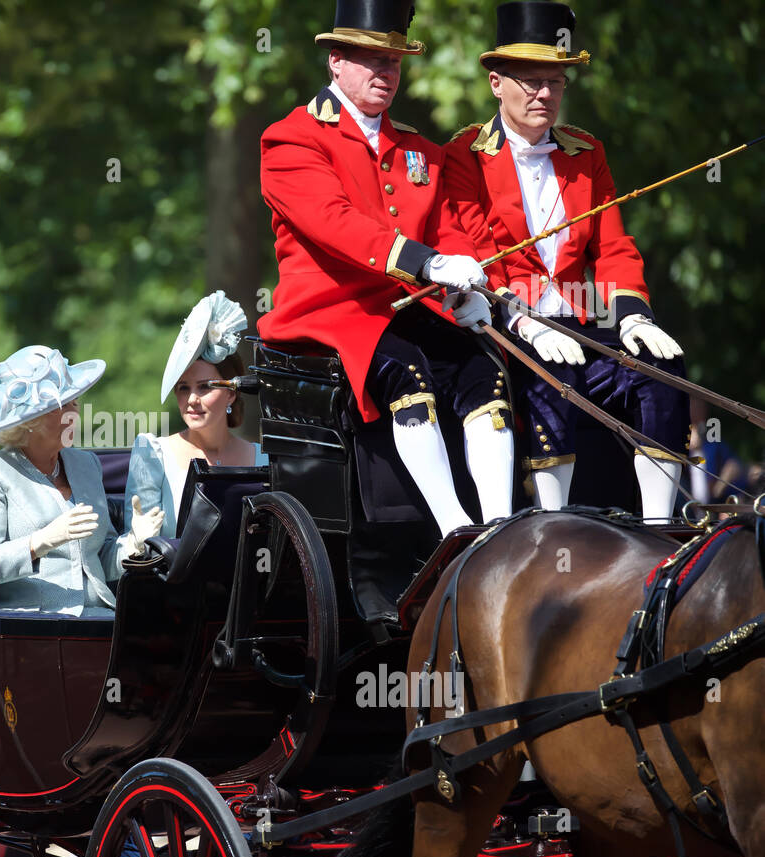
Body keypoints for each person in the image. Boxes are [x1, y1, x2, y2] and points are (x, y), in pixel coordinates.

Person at [259, 0, 513, 537]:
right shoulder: (291, 138)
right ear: (335, 62)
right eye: (372, 60)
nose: (386, 73)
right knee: (408, 371)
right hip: (333, 309)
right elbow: (334, 222)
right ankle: (452, 530)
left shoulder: (418, 148)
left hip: (409, 308)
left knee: (482, 370)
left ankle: (500, 530)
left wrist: (467, 289)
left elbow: (444, 228)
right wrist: (428, 263)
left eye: (393, 63)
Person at [443, 1, 690, 518]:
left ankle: (660, 528)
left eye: (555, 82)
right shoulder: (463, 155)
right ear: (496, 82)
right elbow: (476, 254)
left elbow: (615, 247)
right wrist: (521, 318)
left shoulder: (587, 154)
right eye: (530, 81)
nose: (544, 94)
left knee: (661, 368)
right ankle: (553, 526)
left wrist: (632, 314)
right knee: (552, 372)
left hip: (579, 326)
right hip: (505, 329)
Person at [0, 345, 165, 617]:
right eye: (65, 405)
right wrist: (43, 540)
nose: (75, 413)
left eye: (75, 403)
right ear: (30, 419)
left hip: (99, 617)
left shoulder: (87, 465)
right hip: (29, 625)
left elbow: (98, 559)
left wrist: (133, 544)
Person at [125, 292, 269, 535]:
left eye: (205, 386)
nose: (192, 399)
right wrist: (137, 541)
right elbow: (139, 550)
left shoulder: (263, 458)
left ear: (231, 393)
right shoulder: (152, 453)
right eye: (183, 388)